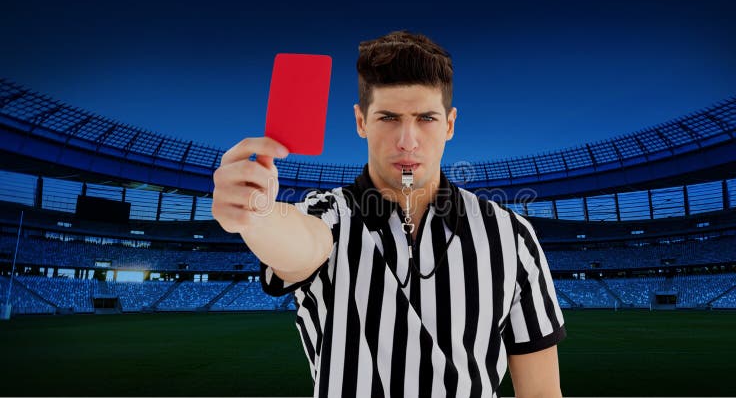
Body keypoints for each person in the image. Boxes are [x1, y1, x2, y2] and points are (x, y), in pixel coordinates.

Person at [212, 30, 566, 398]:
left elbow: (541, 392)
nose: (407, 141)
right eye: (388, 117)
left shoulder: (510, 236)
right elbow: (302, 243)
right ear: (361, 121)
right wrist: (258, 215)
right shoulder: (330, 214)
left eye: (426, 118)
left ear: (449, 124)